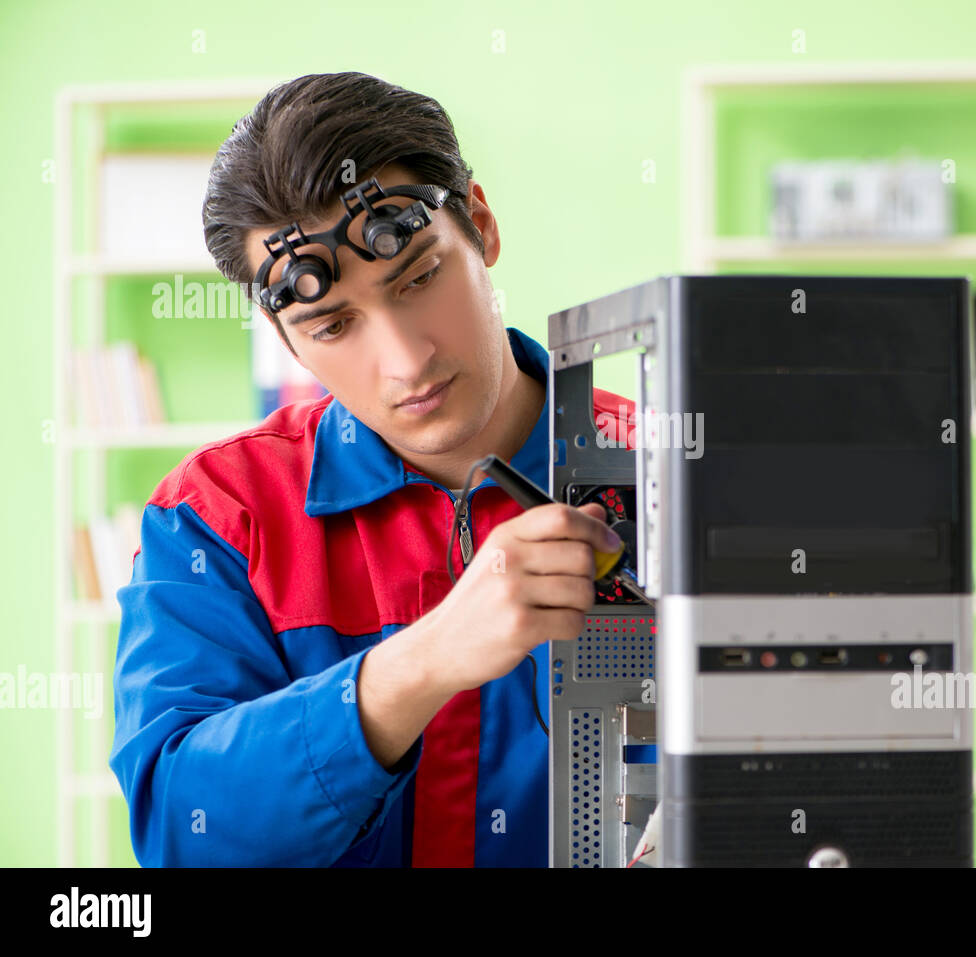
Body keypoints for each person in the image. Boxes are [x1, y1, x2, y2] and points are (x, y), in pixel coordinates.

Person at [108, 72, 636, 866]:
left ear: (482, 226)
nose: (405, 360)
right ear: (283, 336)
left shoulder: (667, 468)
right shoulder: (214, 516)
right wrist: (418, 666)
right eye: (331, 322)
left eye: (419, 277)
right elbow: (181, 830)